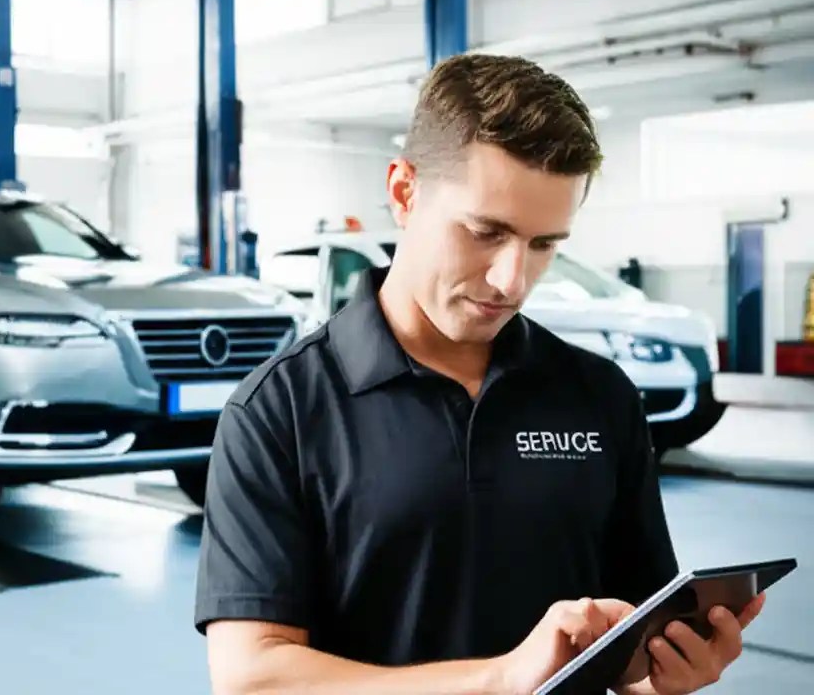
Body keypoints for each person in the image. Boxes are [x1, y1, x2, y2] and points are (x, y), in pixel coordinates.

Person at [193, 53, 765, 695]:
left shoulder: (599, 398)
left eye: (545, 243)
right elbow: (253, 679)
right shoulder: (280, 412)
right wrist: (499, 679)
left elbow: (629, 647)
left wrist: (661, 677)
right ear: (405, 192)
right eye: (484, 231)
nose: (512, 280)